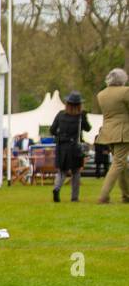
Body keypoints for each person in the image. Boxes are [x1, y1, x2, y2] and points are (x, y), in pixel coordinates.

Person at [95, 68, 129, 204]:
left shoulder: (101, 94)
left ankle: (126, 196)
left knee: (122, 164)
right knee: (118, 163)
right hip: (123, 131)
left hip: (108, 132)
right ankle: (104, 196)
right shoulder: (125, 91)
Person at [50, 92, 91, 202]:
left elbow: (52, 130)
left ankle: (56, 188)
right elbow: (88, 128)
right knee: (76, 172)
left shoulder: (60, 114)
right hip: (75, 147)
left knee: (62, 171)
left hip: (62, 146)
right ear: (79, 104)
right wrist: (84, 116)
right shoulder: (81, 116)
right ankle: (74, 197)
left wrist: (61, 135)